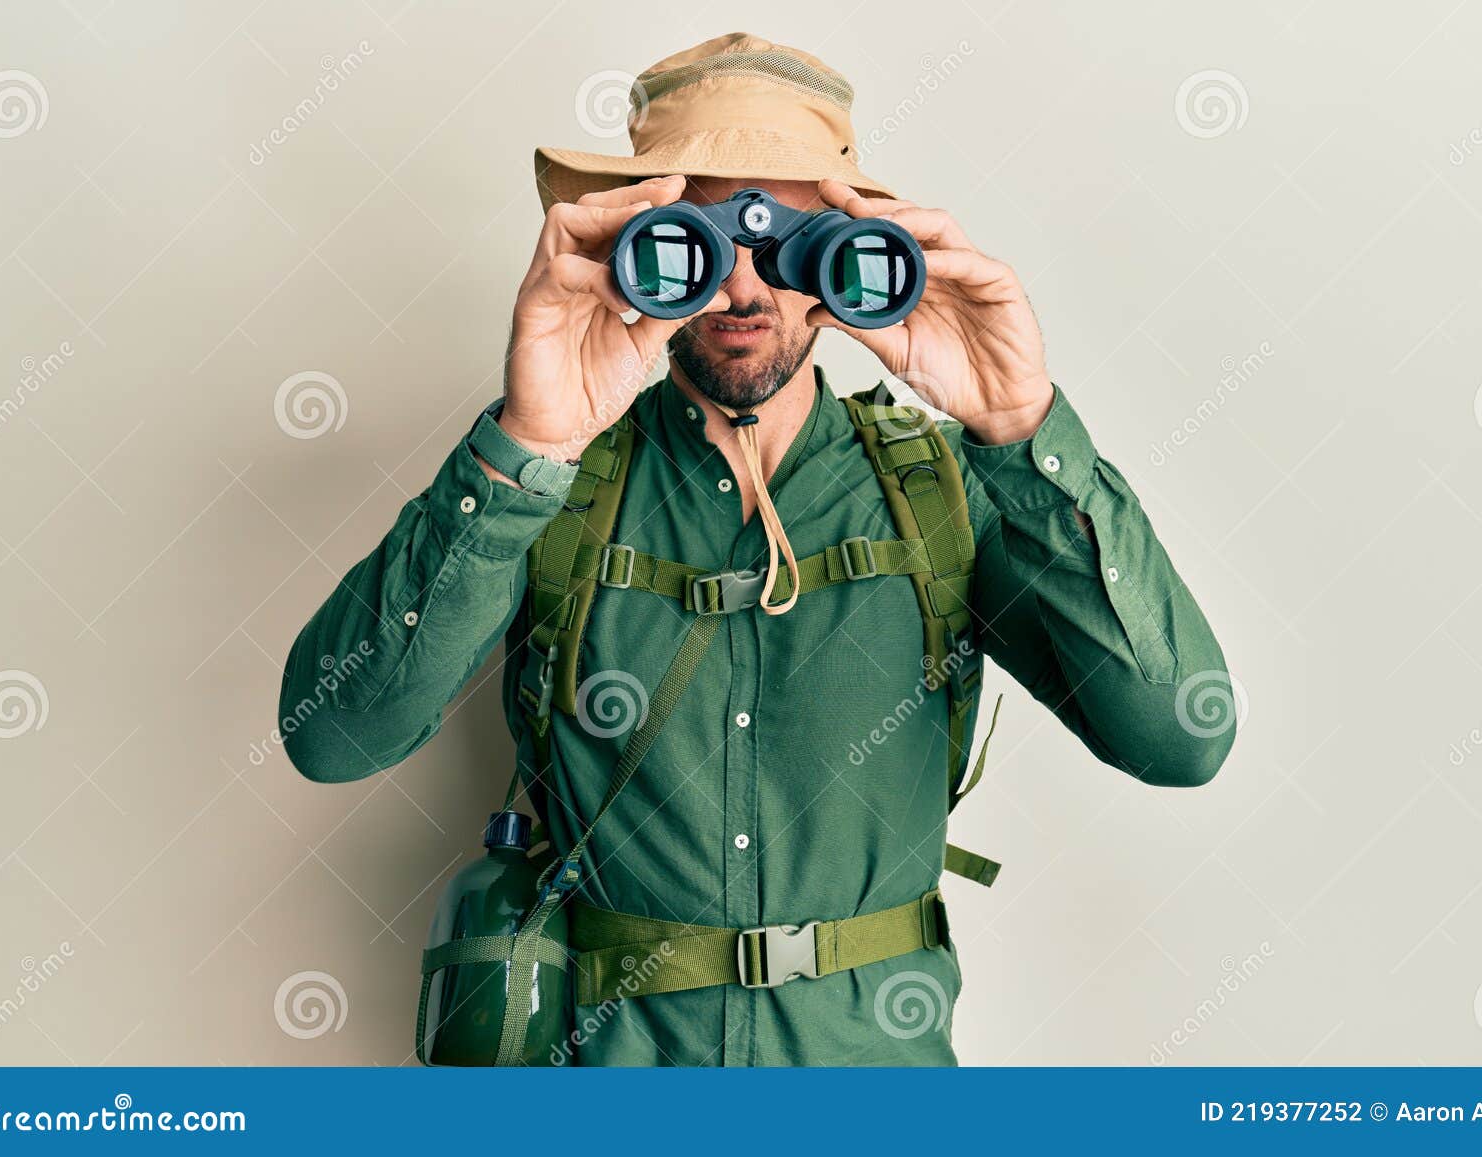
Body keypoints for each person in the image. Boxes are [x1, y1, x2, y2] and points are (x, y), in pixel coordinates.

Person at [280, 32, 1236, 1066]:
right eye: (695, 238)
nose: (743, 288)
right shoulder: (553, 487)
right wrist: (524, 448)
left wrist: (1021, 426)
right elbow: (333, 738)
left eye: (790, 243)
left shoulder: (943, 492)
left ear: (848, 251)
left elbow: (1180, 739)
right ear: (630, 243)